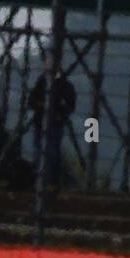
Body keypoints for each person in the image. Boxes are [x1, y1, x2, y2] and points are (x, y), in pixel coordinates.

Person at [27, 55, 75, 189]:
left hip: (54, 124)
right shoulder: (43, 82)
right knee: (41, 152)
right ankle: (41, 182)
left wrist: (58, 114)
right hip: (42, 123)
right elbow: (31, 101)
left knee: (51, 154)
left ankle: (48, 182)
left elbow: (69, 106)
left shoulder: (63, 85)